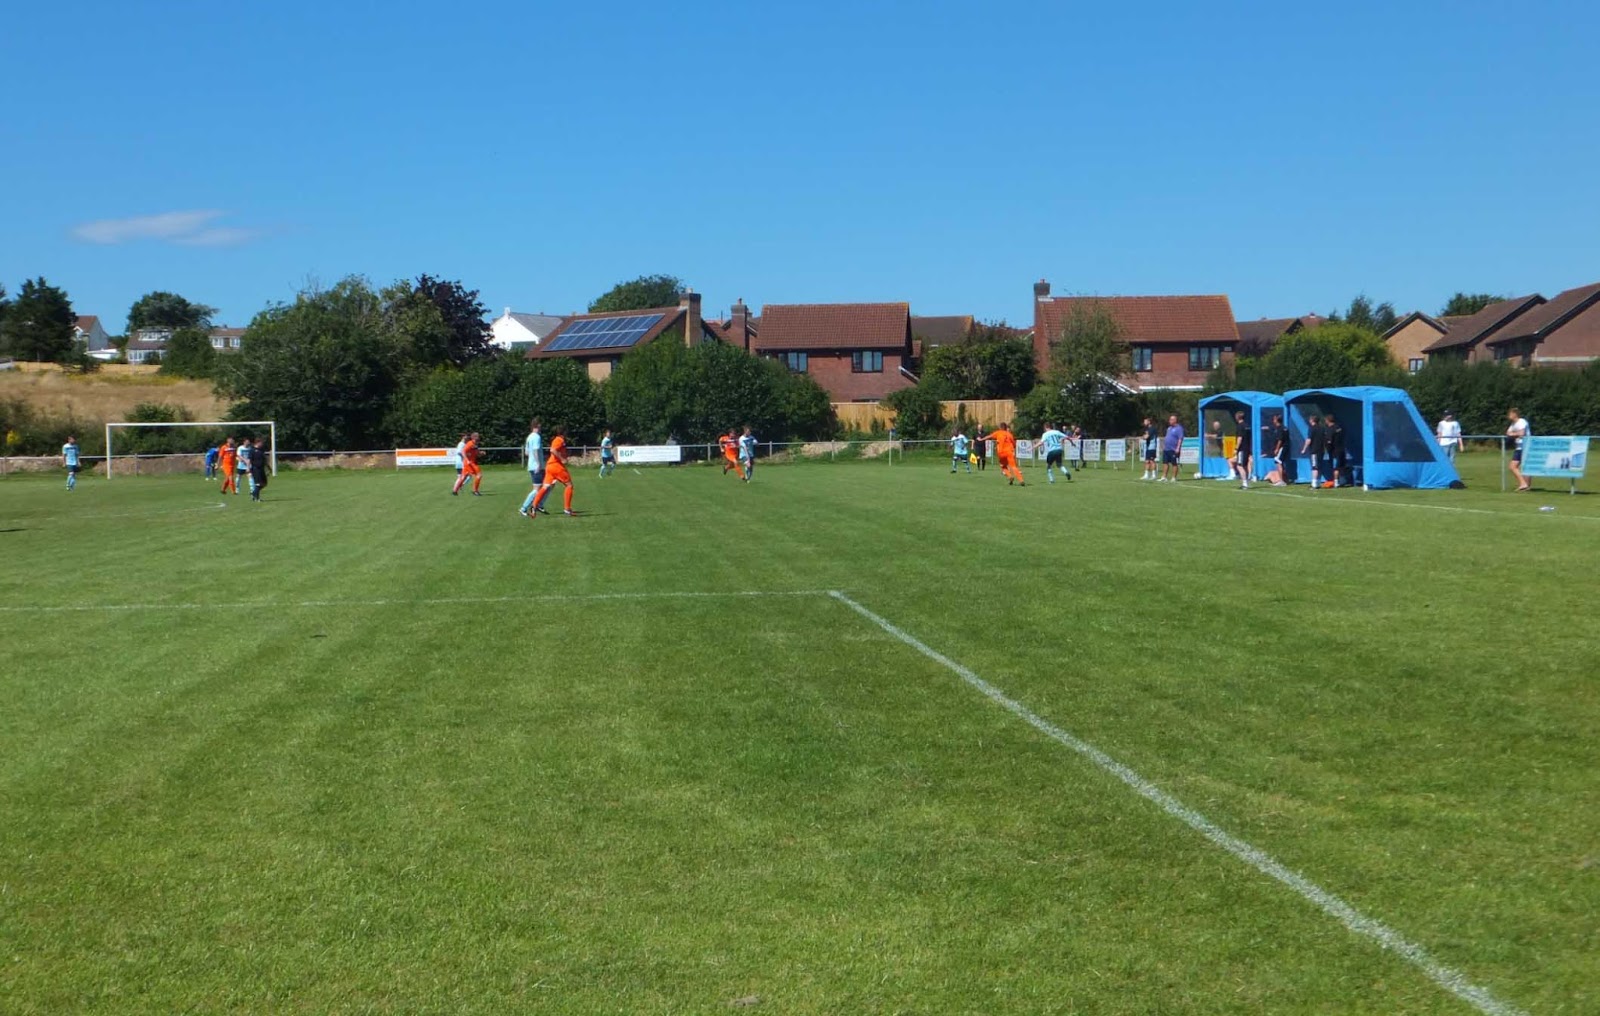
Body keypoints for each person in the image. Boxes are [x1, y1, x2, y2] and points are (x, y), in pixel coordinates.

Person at [528, 426, 576, 516]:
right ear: (564, 432)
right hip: (556, 466)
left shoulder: (558, 440)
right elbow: (553, 450)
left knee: (545, 487)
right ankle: (567, 508)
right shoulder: (559, 440)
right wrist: (562, 458)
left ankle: (533, 507)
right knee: (569, 485)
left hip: (550, 466)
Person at [1506, 407, 1530, 491]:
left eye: (1510, 414)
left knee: (1513, 466)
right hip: (1519, 447)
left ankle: (1524, 484)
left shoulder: (1521, 421)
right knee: (1514, 466)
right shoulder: (1513, 424)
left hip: (1525, 446)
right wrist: (1514, 434)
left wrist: (1513, 434)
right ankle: (1525, 485)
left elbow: (1522, 433)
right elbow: (1508, 433)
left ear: (1515, 414)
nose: (1508, 415)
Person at [1300, 414, 1326, 489]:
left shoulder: (1312, 428)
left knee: (1315, 467)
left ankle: (1314, 483)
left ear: (1312, 420)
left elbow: (1309, 440)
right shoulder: (1322, 428)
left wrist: (1304, 449)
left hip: (1314, 450)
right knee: (1319, 467)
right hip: (1321, 450)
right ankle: (1318, 482)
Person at [1265, 414, 1288, 487]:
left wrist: (1277, 449)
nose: (1273, 420)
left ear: (1277, 420)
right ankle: (1283, 480)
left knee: (1278, 462)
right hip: (1284, 447)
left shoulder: (1280, 428)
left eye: (1274, 419)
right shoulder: (1283, 427)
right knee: (1279, 462)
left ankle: (1281, 481)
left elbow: (1280, 440)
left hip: (1282, 447)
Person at [1232, 409, 1253, 490]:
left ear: (1238, 417)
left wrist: (1236, 448)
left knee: (1239, 465)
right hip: (1247, 447)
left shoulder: (1240, 426)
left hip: (1242, 449)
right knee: (1244, 466)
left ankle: (1245, 483)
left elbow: (1239, 438)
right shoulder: (1247, 426)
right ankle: (1246, 482)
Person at [1160, 414, 1183, 482]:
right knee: (1165, 463)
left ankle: (1173, 478)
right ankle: (1164, 477)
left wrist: (1178, 448)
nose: (1169, 421)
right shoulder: (1169, 428)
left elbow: (1180, 439)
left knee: (1174, 463)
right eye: (1169, 419)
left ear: (1175, 420)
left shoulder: (1179, 428)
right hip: (1166, 449)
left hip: (1173, 449)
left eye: (1171, 420)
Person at [1325, 417, 1346, 489]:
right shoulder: (1339, 428)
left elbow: (1329, 441)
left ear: (1328, 420)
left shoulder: (1330, 429)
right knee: (1341, 465)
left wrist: (1328, 449)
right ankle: (1342, 481)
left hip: (1334, 451)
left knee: (1336, 467)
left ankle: (1336, 482)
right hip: (1341, 449)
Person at [524, 421, 544, 487]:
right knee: (538, 489)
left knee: (539, 488)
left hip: (531, 465)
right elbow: (535, 451)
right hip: (536, 466)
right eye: (539, 427)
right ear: (535, 427)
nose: (540, 429)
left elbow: (526, 453)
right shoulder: (537, 437)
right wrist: (538, 464)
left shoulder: (529, 437)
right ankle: (528, 498)